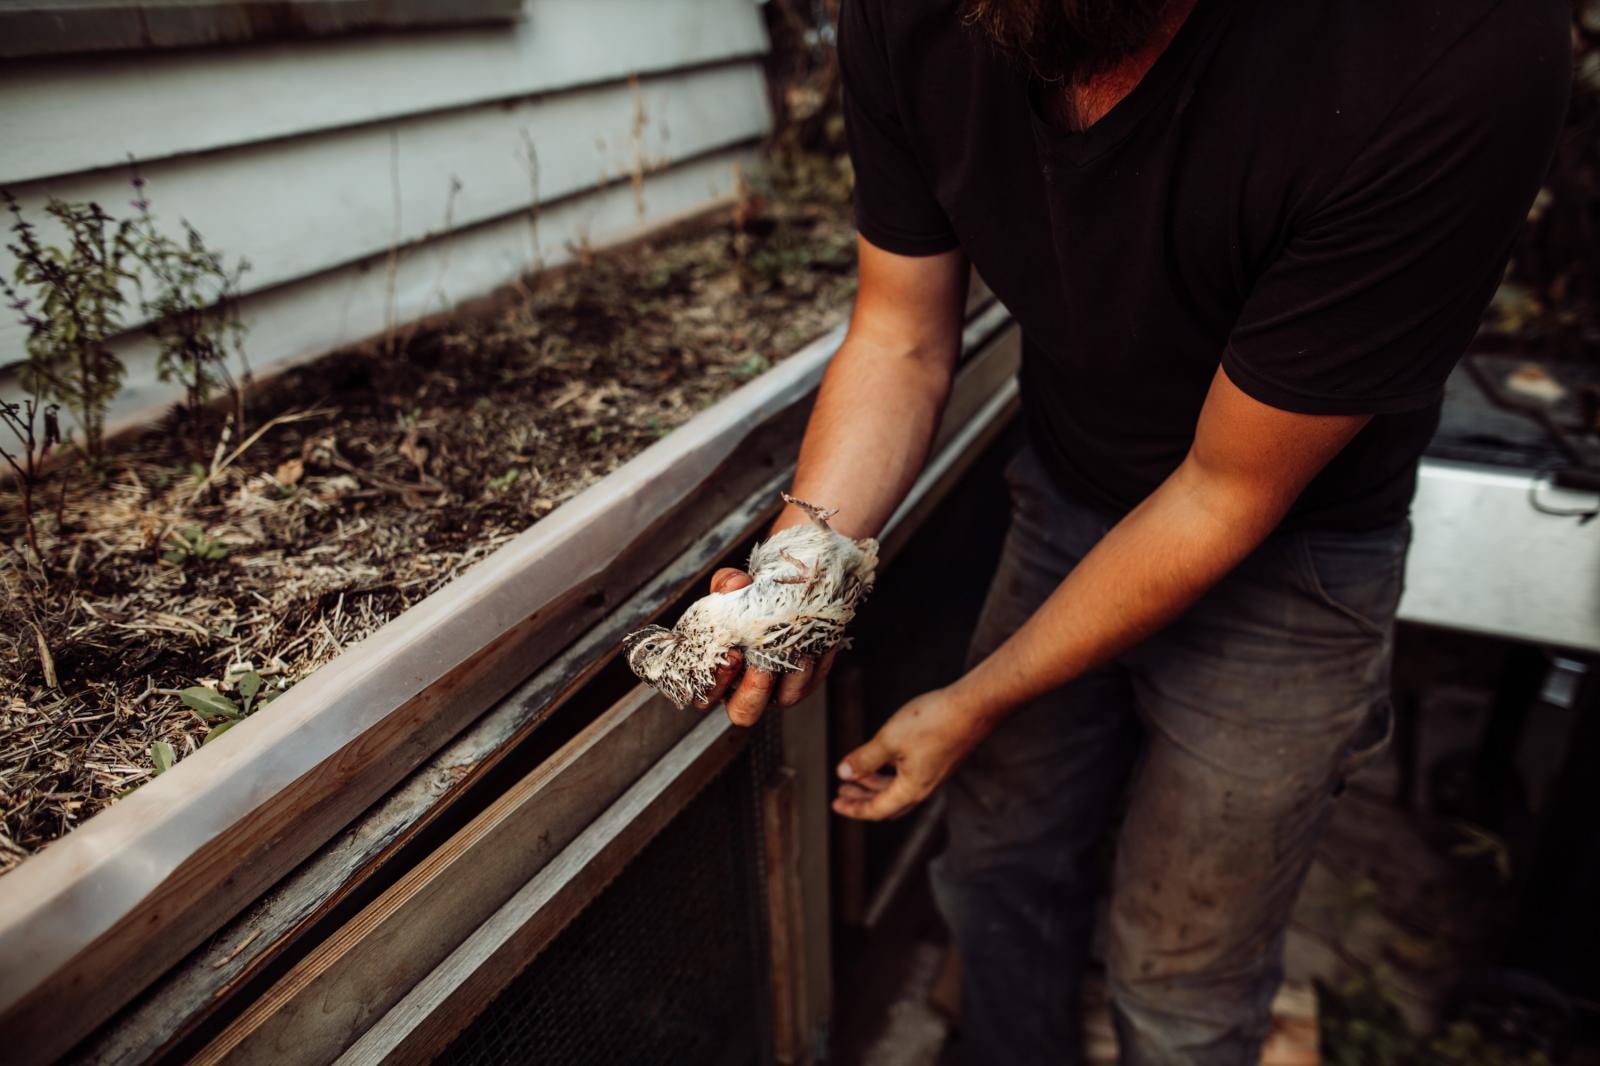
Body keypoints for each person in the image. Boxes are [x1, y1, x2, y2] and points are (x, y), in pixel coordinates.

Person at [699, 0, 1572, 1061]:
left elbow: (1223, 492)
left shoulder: (1454, 47)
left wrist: (972, 702)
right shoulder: (907, 16)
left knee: (1179, 974)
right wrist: (805, 561)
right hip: (1069, 482)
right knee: (995, 870)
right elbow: (899, 335)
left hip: (1296, 546)